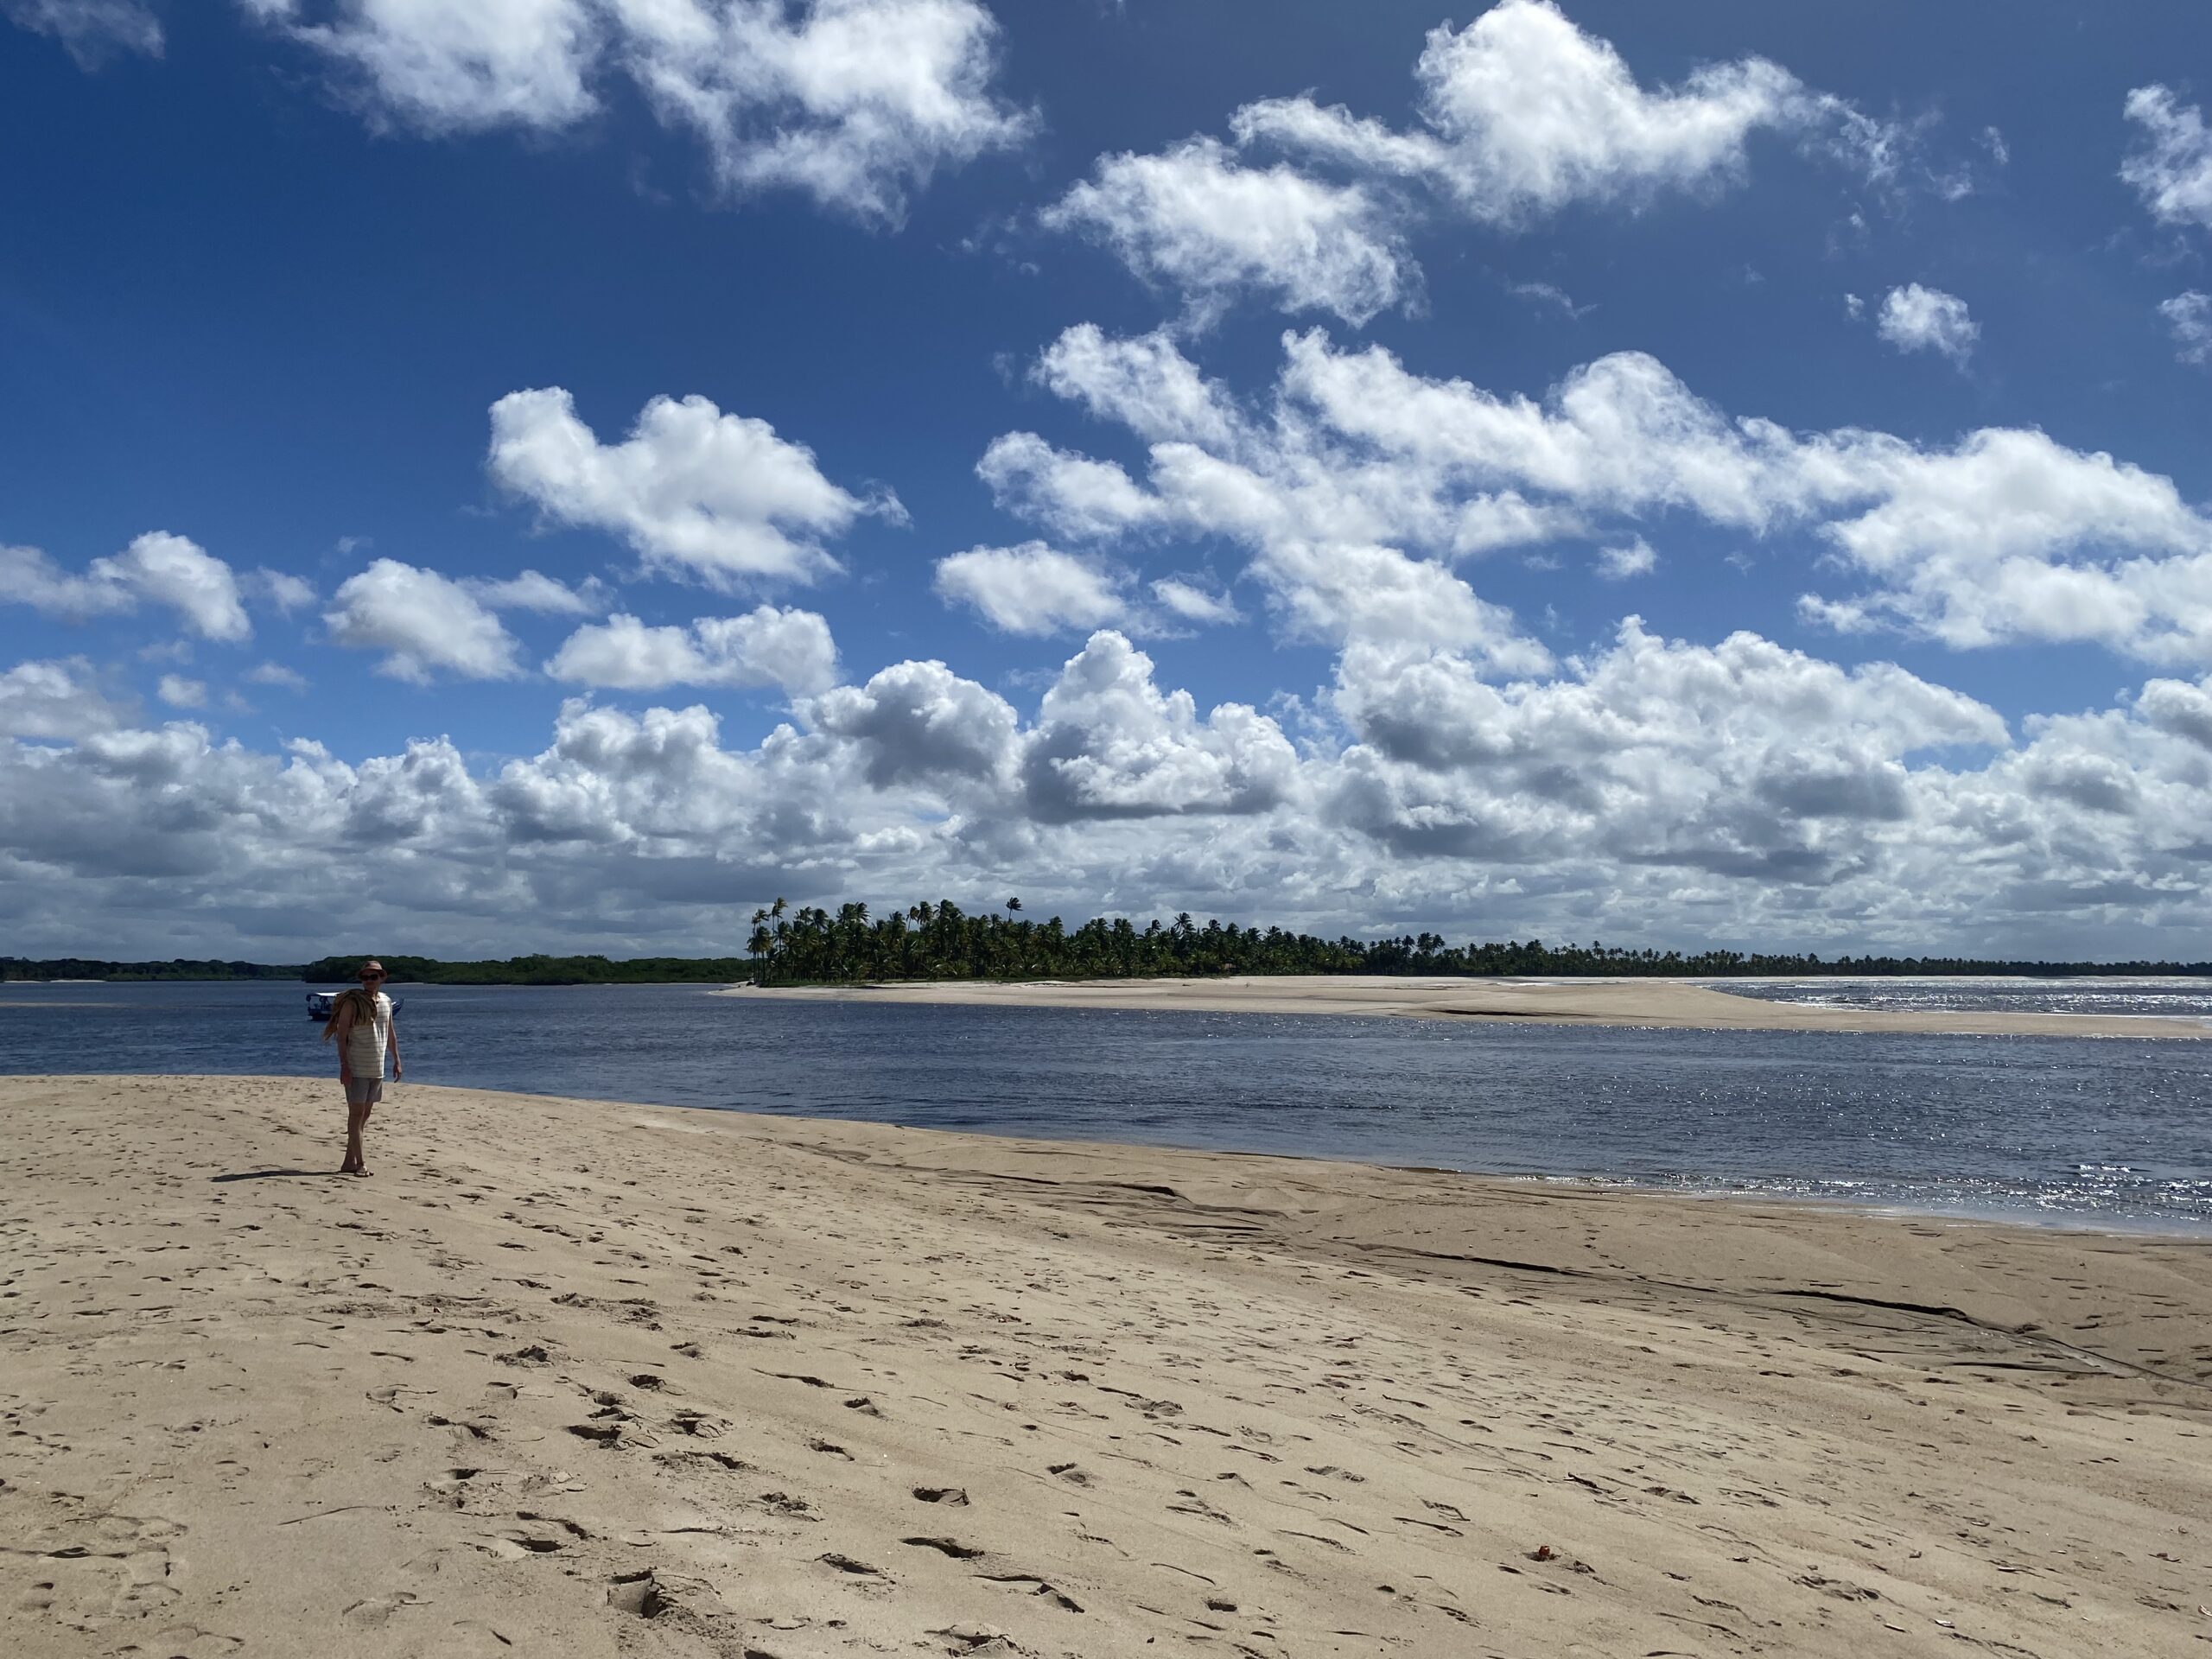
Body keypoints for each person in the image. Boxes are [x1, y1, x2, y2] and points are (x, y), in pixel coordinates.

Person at [323, 959, 401, 1176]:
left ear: (382, 978)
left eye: (373, 977)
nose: (369, 981)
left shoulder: (385, 1001)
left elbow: (390, 1033)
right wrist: (344, 1065)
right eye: (365, 977)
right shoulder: (352, 1003)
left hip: (377, 1066)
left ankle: (349, 1161)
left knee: (364, 1116)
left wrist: (397, 1059)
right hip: (356, 1066)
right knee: (356, 1115)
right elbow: (342, 1036)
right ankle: (360, 1163)